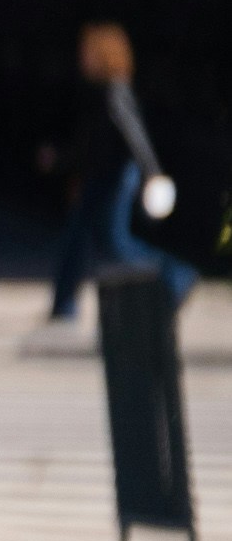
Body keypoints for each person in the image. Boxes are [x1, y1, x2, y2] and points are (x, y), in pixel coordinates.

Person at [45, 22, 195, 322]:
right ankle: (63, 305)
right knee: (78, 240)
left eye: (88, 52)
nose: (83, 59)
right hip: (98, 177)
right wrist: (65, 162)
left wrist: (152, 172)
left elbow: (133, 134)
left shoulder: (114, 91)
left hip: (114, 179)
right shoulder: (98, 92)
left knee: (116, 244)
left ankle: (177, 276)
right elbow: (90, 146)